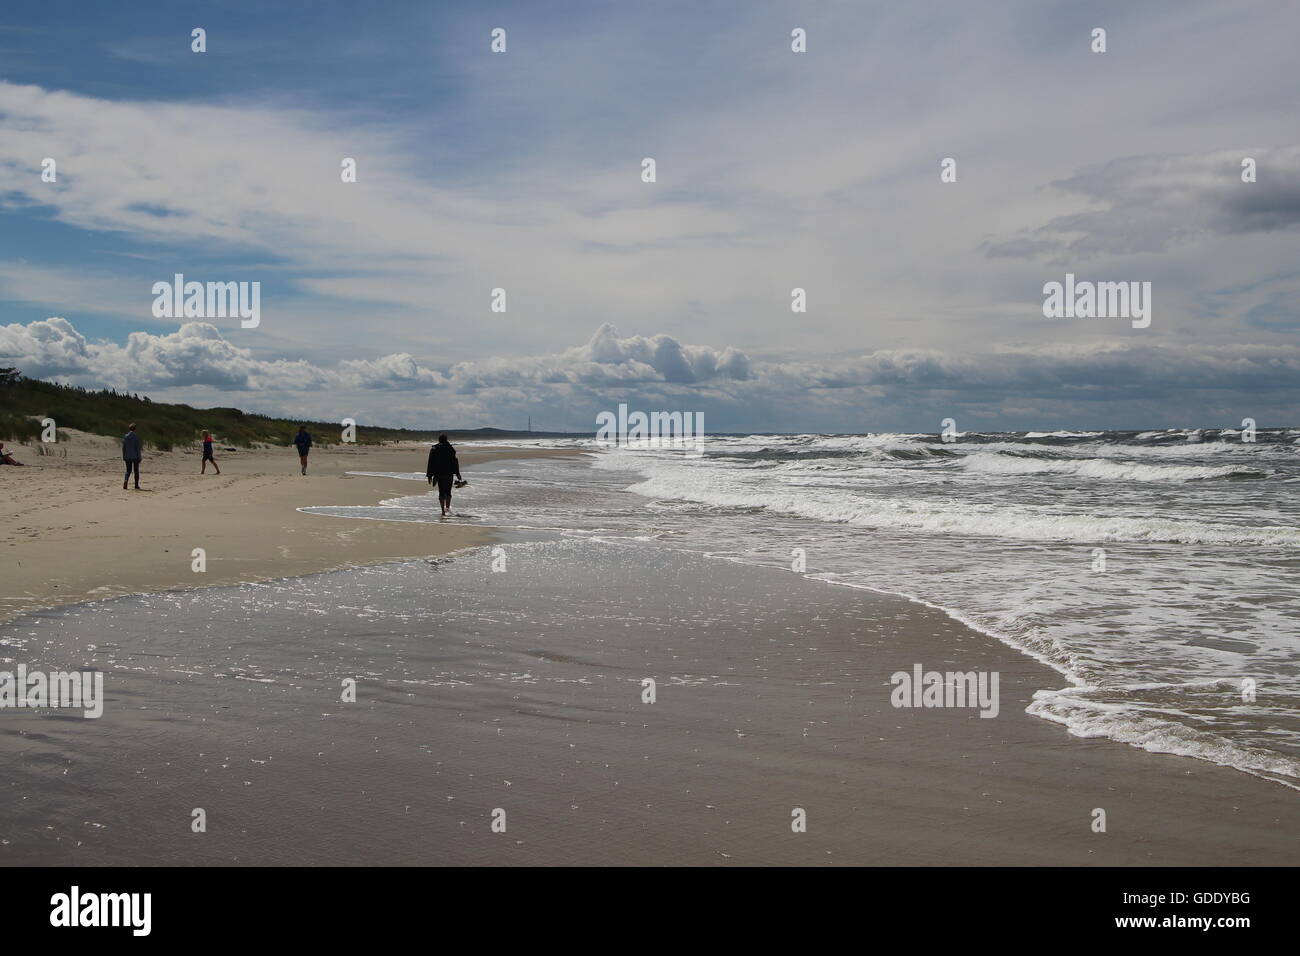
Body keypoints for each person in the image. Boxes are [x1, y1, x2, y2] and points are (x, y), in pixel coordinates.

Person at [426, 433, 462, 516]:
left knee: (441, 492)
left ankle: (442, 511)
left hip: (439, 474)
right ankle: (447, 508)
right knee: (448, 492)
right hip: (449, 473)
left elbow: (430, 463)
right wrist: (457, 473)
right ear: (446, 439)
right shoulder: (451, 449)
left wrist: (429, 475)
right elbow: (455, 462)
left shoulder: (434, 448)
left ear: (439, 440)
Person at [122, 424, 142, 489]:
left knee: (128, 471)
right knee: (136, 471)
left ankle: (125, 481)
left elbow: (123, 447)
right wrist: (139, 456)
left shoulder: (125, 437)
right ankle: (136, 485)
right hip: (135, 456)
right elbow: (137, 448)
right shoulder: (136, 437)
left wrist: (124, 456)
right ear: (135, 429)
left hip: (127, 456)